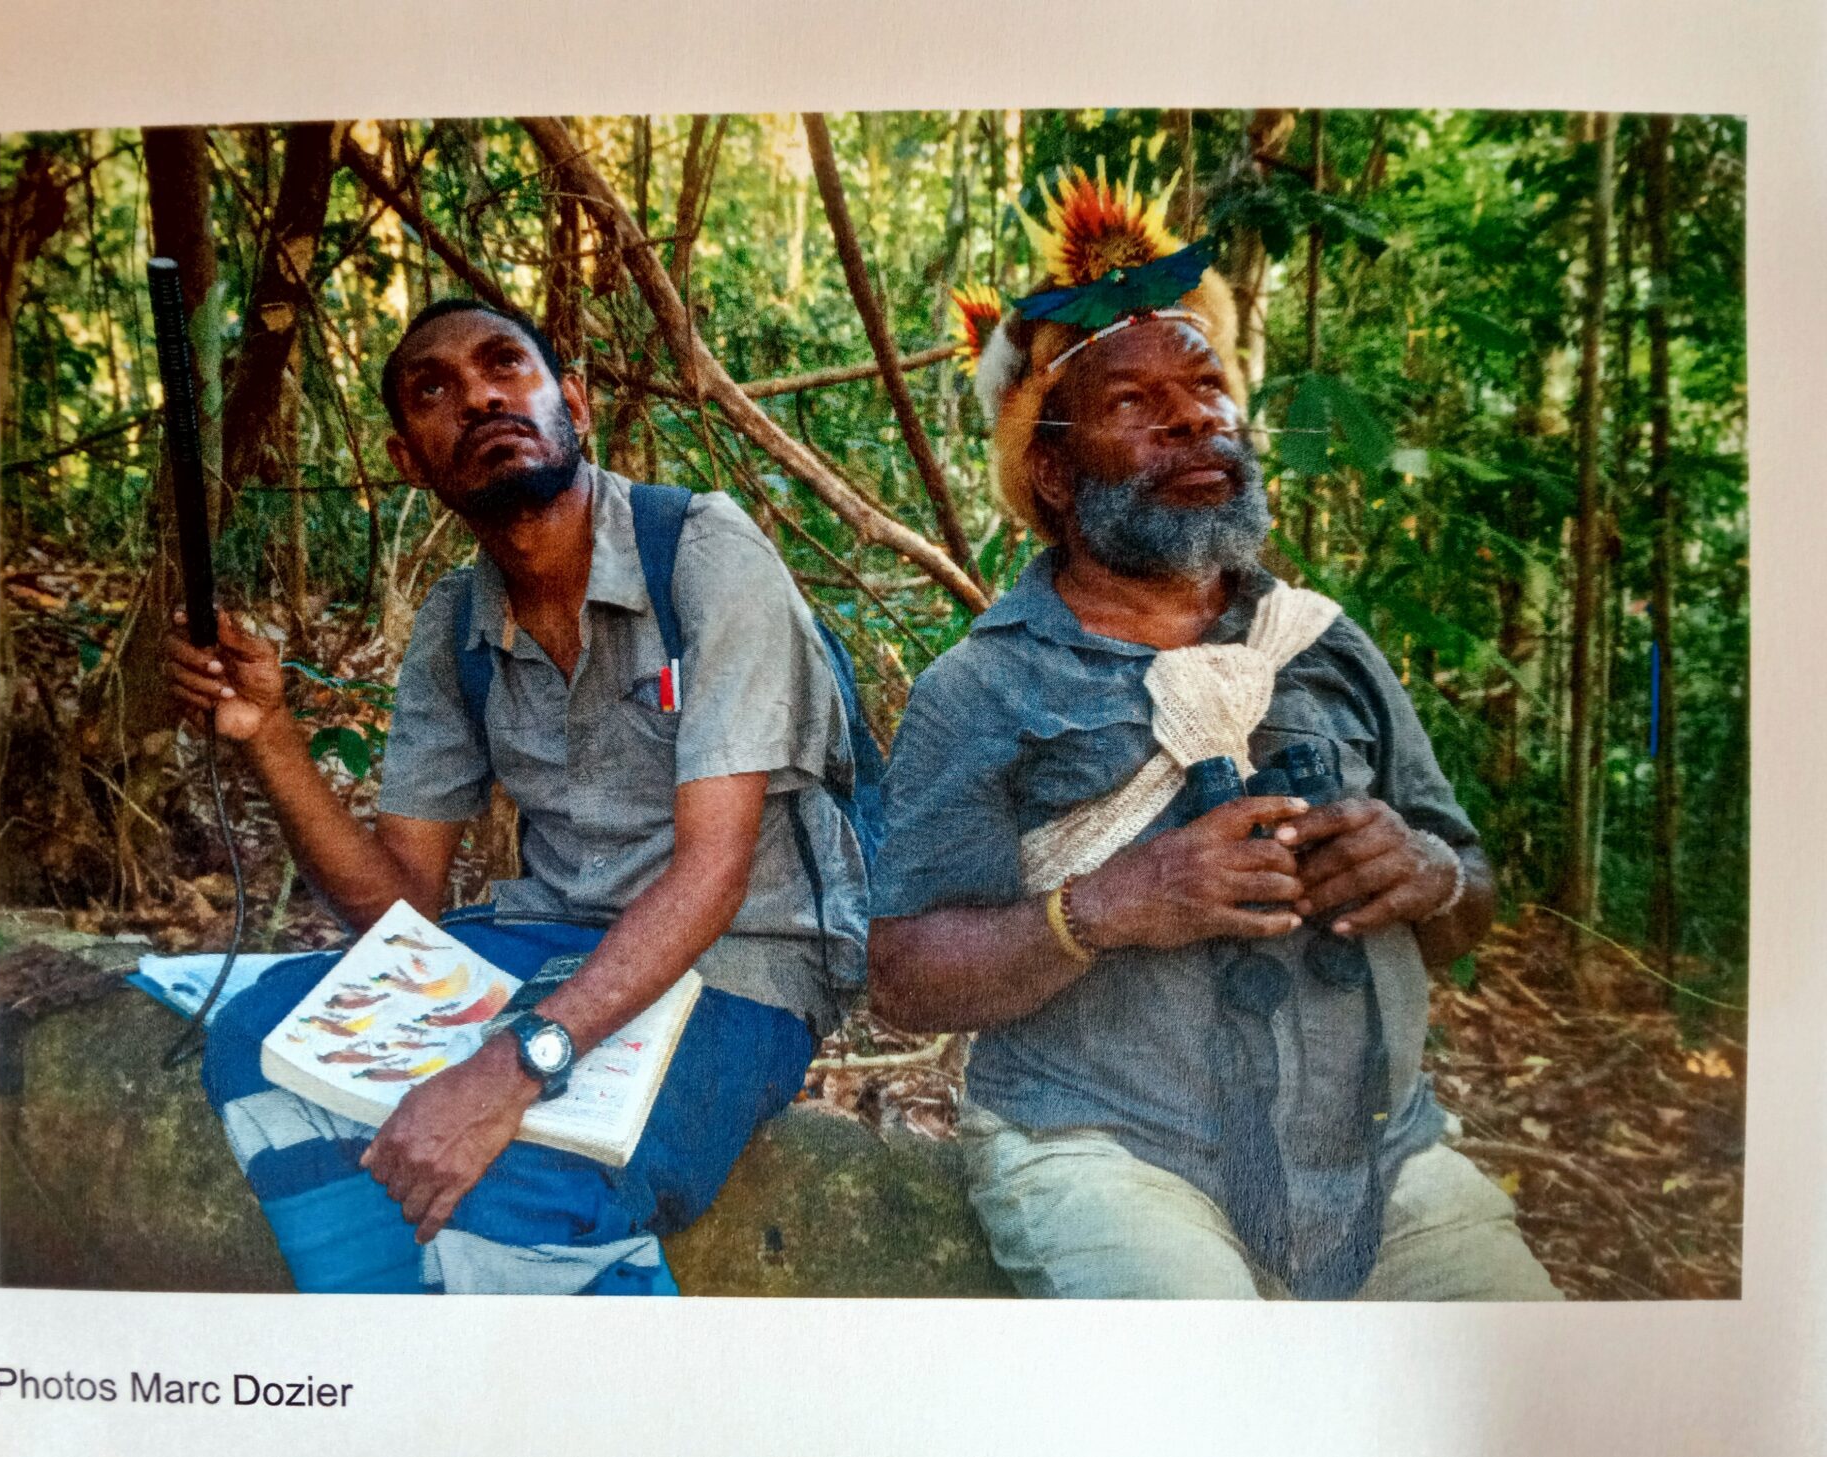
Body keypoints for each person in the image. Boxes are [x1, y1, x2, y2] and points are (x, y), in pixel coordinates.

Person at [869, 168, 1559, 1301]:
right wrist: (1110, 904)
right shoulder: (981, 686)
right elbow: (901, 975)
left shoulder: (1325, 644)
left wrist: (1425, 875)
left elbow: (1468, 890)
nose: (1194, 416)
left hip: (1377, 1162)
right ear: (1050, 467)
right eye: (1135, 405)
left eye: (1209, 387)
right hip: (1106, 1149)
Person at [163, 297, 867, 1294]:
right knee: (255, 1042)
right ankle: (397, 1343)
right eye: (434, 390)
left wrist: (508, 1068)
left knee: (529, 1174)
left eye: (507, 366)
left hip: (743, 961)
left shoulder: (702, 551)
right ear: (411, 459)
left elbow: (714, 875)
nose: (481, 394)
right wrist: (269, 736)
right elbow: (402, 908)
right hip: (550, 941)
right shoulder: (457, 621)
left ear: (570, 400)